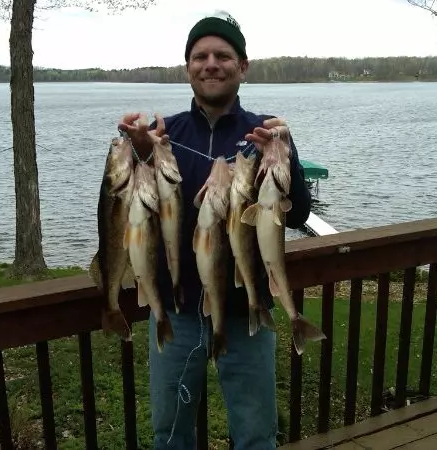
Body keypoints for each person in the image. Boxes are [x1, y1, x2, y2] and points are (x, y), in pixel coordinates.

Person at [118, 10, 311, 450]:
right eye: (200, 55)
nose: (211, 63)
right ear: (187, 67)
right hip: (176, 309)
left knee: (257, 433)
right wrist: (139, 156)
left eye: (223, 55)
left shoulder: (265, 132)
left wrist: (287, 155)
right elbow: (130, 210)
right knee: (170, 434)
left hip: (248, 313)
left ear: (242, 66)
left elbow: (296, 214)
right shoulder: (163, 134)